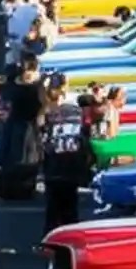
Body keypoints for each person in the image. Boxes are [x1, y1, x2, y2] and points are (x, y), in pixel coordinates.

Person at [39, 74, 90, 237]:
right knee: (70, 210)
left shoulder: (46, 114)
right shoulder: (75, 111)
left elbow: (42, 140)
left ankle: (51, 242)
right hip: (71, 166)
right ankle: (72, 240)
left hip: (53, 167)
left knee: (53, 211)